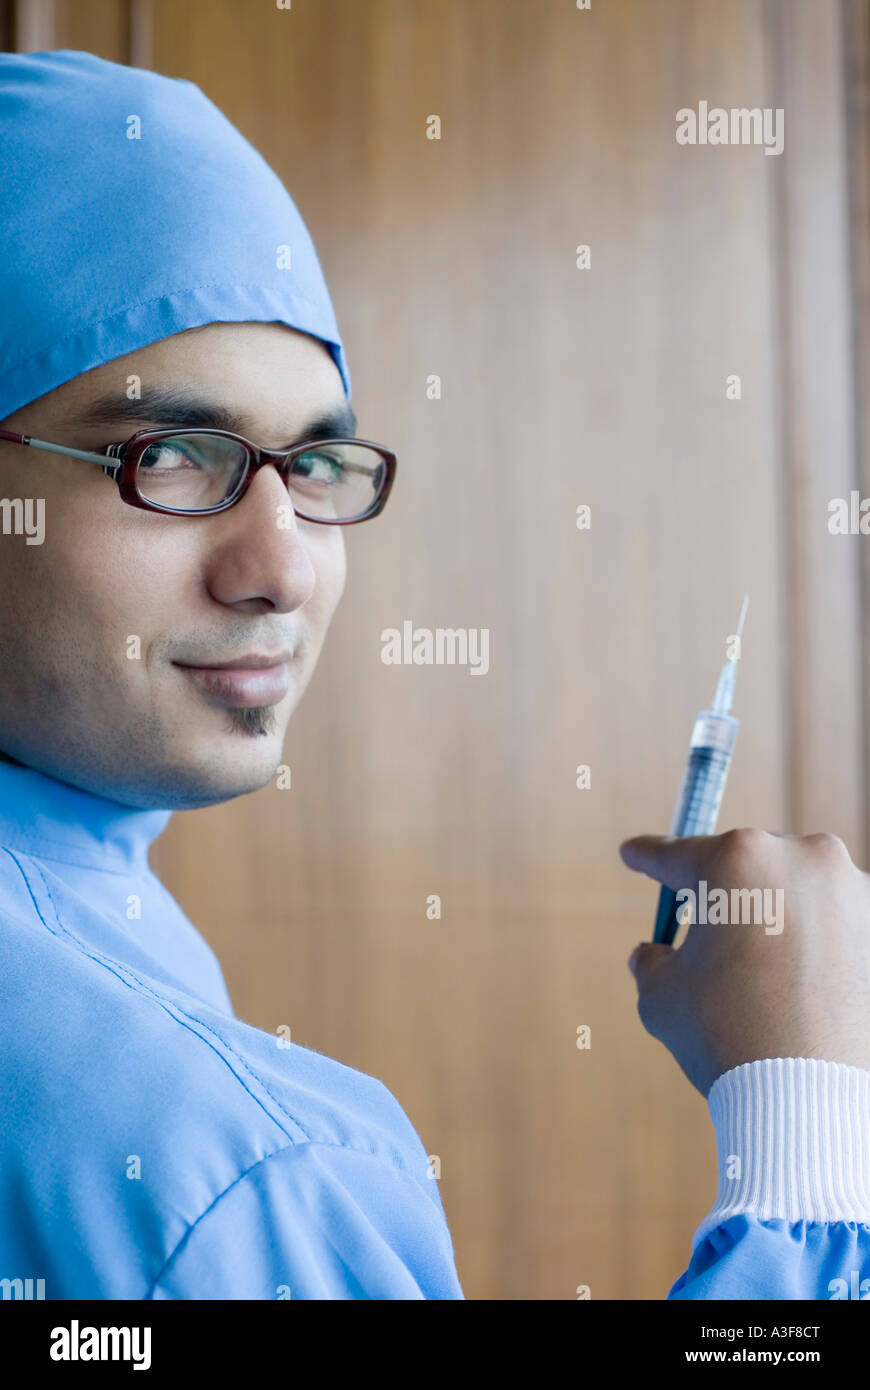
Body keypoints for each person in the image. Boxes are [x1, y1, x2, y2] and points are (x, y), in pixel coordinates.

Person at [0, 48, 866, 1302]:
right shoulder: (240, 1179)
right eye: (170, 455)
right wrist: (808, 1137)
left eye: (315, 468)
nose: (283, 570)